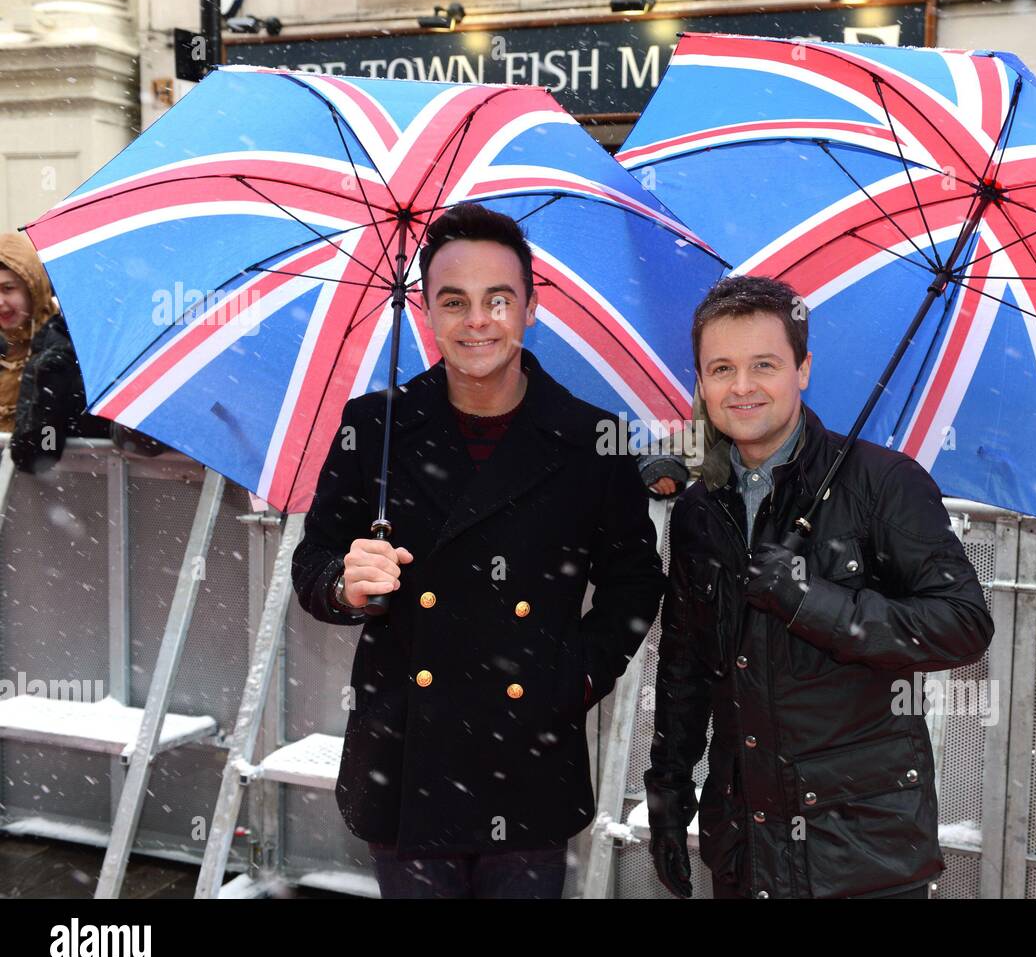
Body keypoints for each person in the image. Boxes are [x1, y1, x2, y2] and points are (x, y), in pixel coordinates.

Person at [290, 203, 665, 899]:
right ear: (427, 311)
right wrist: (346, 584)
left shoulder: (593, 438)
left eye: (499, 299)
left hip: (527, 756)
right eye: (453, 301)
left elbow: (635, 583)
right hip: (406, 758)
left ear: (530, 308)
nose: (477, 320)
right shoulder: (373, 426)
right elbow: (311, 564)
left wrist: (575, 678)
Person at [645, 274, 994, 900]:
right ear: (700, 381)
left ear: (803, 370)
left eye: (765, 365)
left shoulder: (883, 484)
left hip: (860, 853)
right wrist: (669, 798)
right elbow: (684, 665)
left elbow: (964, 625)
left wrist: (809, 600)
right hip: (745, 846)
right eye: (721, 368)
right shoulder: (702, 508)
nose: (743, 387)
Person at [0, 232, 112, 471]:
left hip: (52, 496)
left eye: (8, 288)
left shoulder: (65, 344)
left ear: (33, 287)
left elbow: (46, 445)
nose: (0, 301)